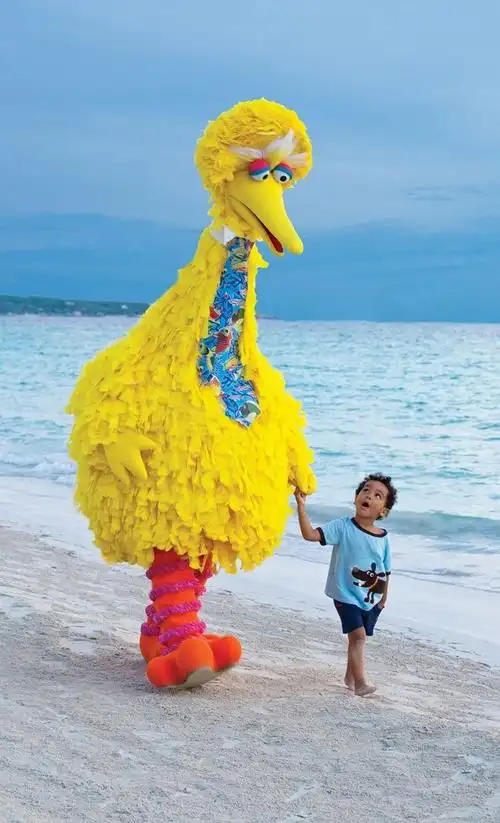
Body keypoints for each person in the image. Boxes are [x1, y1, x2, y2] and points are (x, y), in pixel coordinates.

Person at [294, 473, 398, 697]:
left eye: (377, 495)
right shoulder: (342, 527)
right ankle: (360, 683)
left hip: (372, 598)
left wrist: (384, 600)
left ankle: (350, 677)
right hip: (344, 594)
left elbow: (386, 570)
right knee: (358, 637)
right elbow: (310, 535)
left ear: (383, 511)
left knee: (358, 638)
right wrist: (301, 506)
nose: (369, 495)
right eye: (366, 490)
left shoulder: (384, 537)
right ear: (356, 497)